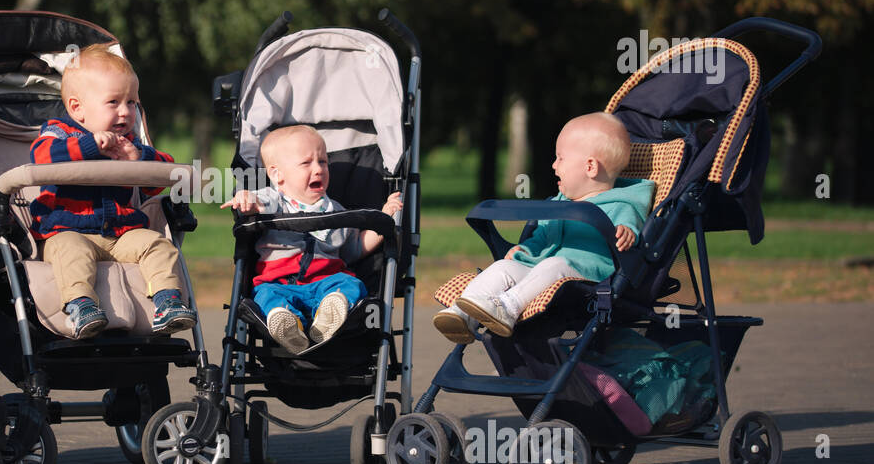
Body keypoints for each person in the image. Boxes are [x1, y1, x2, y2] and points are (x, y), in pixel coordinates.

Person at [434, 111, 655, 343]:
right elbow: (542, 237)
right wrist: (526, 251)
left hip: (586, 277)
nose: (553, 165)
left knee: (555, 264)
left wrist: (627, 232)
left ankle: (508, 308)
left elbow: (630, 228)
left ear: (590, 167)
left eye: (560, 158)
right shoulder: (560, 203)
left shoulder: (622, 203)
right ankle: (462, 313)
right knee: (502, 267)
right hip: (540, 269)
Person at [29, 44, 196, 338]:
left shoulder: (128, 143)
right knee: (71, 251)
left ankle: (167, 301)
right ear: (77, 108)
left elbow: (163, 173)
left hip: (121, 235)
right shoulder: (58, 133)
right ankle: (81, 305)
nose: (126, 112)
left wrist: (139, 159)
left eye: (132, 102)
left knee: (157, 244)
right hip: (68, 230)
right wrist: (90, 146)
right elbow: (41, 156)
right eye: (114, 102)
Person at [222, 124, 403, 354]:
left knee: (352, 285)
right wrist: (247, 200)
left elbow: (354, 248)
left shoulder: (336, 210)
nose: (318, 169)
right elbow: (258, 203)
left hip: (326, 283)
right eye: (306, 163)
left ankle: (326, 318)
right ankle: (288, 325)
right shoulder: (275, 200)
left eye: (323, 162)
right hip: (280, 283)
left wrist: (384, 218)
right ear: (278, 175)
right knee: (265, 296)